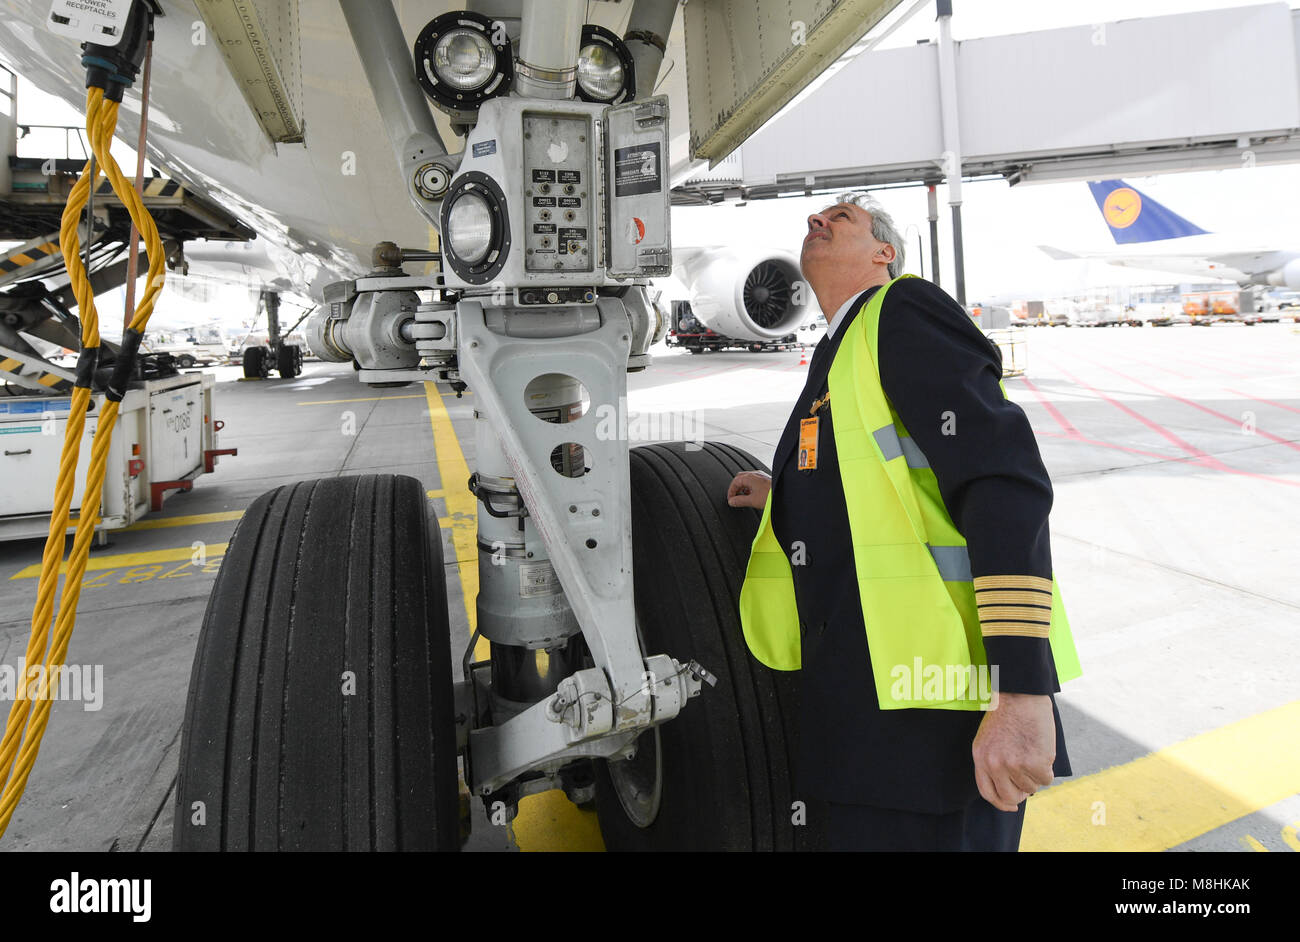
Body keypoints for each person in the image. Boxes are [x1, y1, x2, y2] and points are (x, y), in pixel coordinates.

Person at [726, 192, 1081, 852]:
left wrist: (1021, 693)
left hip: (936, 726)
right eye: (818, 216)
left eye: (842, 218)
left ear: (884, 253)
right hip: (866, 718)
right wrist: (785, 494)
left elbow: (1004, 482)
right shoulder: (841, 349)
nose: (817, 220)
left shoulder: (904, 310)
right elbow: (880, 484)